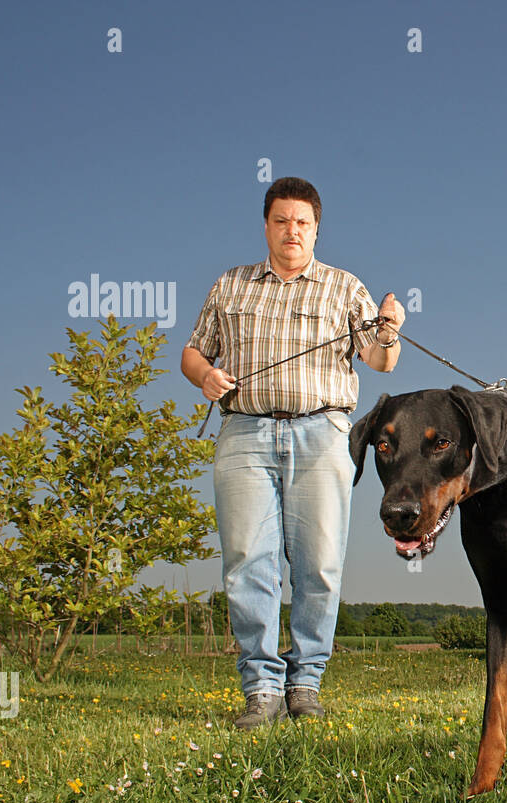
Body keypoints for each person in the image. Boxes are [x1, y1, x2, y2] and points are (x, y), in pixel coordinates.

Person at [180, 176, 404, 729]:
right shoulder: (230, 285)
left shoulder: (343, 287)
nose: (291, 231)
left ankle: (305, 682)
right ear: (266, 226)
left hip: (322, 434)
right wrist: (205, 375)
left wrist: (391, 329)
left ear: (316, 229)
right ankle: (261, 687)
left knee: (319, 564)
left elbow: (380, 361)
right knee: (247, 562)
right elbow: (191, 352)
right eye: (281, 220)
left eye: (302, 222)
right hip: (245, 435)